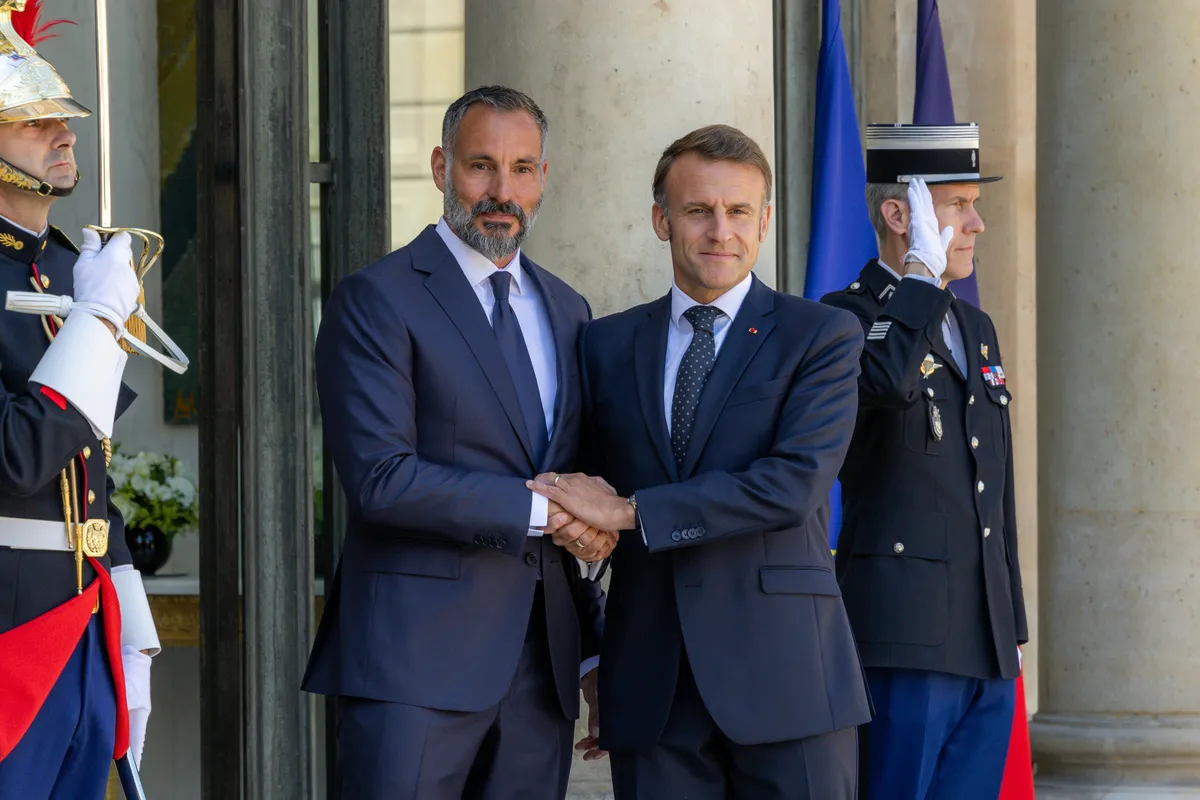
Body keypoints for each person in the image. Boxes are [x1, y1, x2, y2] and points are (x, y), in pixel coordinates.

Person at [530, 124, 872, 799]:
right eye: (698, 211)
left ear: (765, 221)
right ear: (662, 220)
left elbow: (792, 486)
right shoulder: (604, 344)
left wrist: (630, 513)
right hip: (650, 689)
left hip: (788, 683)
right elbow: (578, 500)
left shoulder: (822, 336)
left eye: (739, 211)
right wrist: (595, 651)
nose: (721, 230)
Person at [302, 85, 611, 799]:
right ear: (442, 168)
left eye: (523, 169)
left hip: (541, 674)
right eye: (481, 166)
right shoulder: (376, 298)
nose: (502, 191)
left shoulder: (568, 308)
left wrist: (591, 650)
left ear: (543, 179)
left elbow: (573, 474)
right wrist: (551, 511)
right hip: (413, 670)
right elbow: (382, 478)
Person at [821, 122, 1028, 799]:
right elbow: (881, 380)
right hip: (901, 637)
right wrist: (916, 276)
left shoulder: (975, 327)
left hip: (984, 642)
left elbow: (997, 489)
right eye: (959, 205)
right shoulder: (844, 317)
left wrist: (1012, 625)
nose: (978, 223)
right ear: (898, 214)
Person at [0, 3, 160, 797]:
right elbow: (18, 455)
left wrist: (128, 611)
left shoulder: (64, 269)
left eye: (61, 117)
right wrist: (97, 323)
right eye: (33, 121)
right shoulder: (78, 290)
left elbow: (87, 464)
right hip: (9, 627)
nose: (63, 135)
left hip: (84, 618)